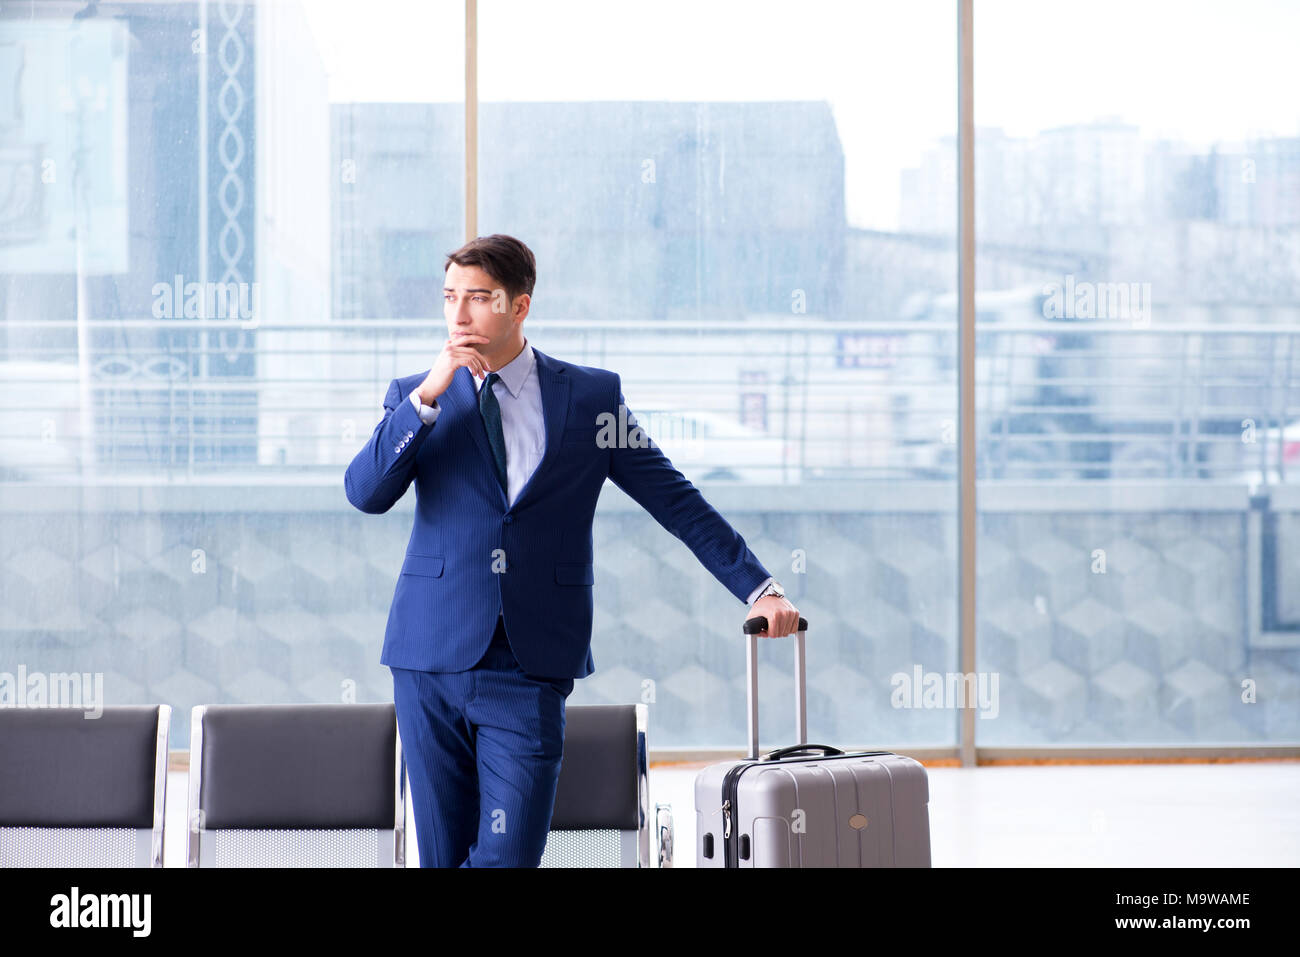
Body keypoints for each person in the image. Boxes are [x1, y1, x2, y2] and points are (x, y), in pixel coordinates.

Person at [344, 233, 801, 867]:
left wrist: (759, 587)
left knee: (508, 854)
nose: (459, 314)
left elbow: (675, 498)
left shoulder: (588, 399)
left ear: (519, 306)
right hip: (429, 657)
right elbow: (365, 493)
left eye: (478, 298)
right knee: (441, 855)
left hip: (530, 663)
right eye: (450, 298)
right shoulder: (416, 394)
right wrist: (426, 398)